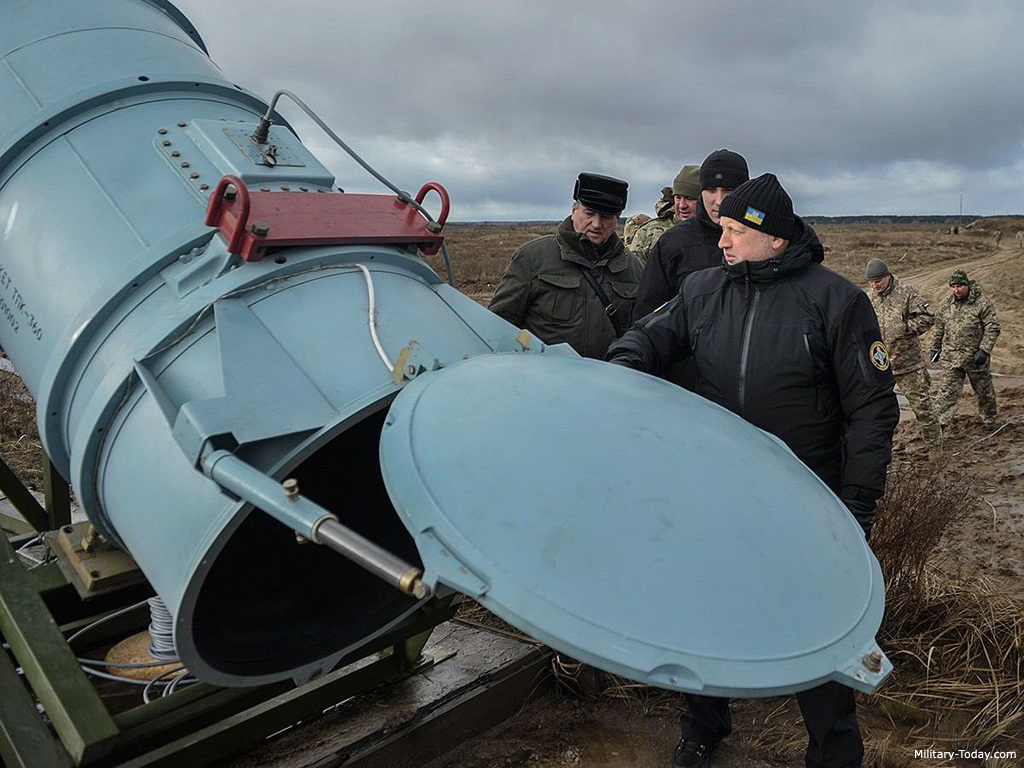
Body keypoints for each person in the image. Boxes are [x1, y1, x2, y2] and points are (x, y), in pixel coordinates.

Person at [607, 174, 899, 768]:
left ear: (774, 239)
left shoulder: (836, 301)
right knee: (707, 609)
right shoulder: (702, 289)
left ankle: (833, 750)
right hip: (716, 488)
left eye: (737, 231)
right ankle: (703, 727)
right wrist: (621, 365)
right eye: (723, 229)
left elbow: (873, 409)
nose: (723, 241)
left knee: (816, 625)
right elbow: (649, 337)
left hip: (807, 496)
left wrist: (857, 504)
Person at [488, 173, 642, 360]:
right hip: (544, 381)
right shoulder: (533, 258)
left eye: (606, 217)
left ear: (617, 220)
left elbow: (641, 335)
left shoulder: (633, 268)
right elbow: (498, 326)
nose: (596, 224)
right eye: (589, 213)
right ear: (574, 210)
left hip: (608, 382)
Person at [634, 149, 749, 318]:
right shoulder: (672, 243)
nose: (718, 201)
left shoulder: (765, 239)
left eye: (728, 190)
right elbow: (648, 315)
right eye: (710, 190)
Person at [865, 258, 942, 455]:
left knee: (923, 408)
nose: (875, 286)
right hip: (880, 365)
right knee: (877, 411)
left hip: (909, 365)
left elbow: (928, 317)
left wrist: (906, 328)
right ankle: (880, 451)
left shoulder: (906, 292)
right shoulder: (869, 297)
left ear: (887, 277)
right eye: (871, 283)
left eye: (878, 282)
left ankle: (936, 452)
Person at [930, 269, 1001, 430]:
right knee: (947, 393)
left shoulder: (982, 304)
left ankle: (989, 418)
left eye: (960, 286)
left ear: (967, 285)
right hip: (951, 357)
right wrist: (935, 347)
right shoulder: (946, 305)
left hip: (975, 358)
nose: (957, 290)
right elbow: (939, 328)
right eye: (954, 286)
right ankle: (941, 423)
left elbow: (993, 328)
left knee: (984, 391)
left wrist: (984, 350)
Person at [628, 165, 701, 265]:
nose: (682, 205)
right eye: (678, 198)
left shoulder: (720, 231)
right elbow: (634, 274)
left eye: (689, 198)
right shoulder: (649, 232)